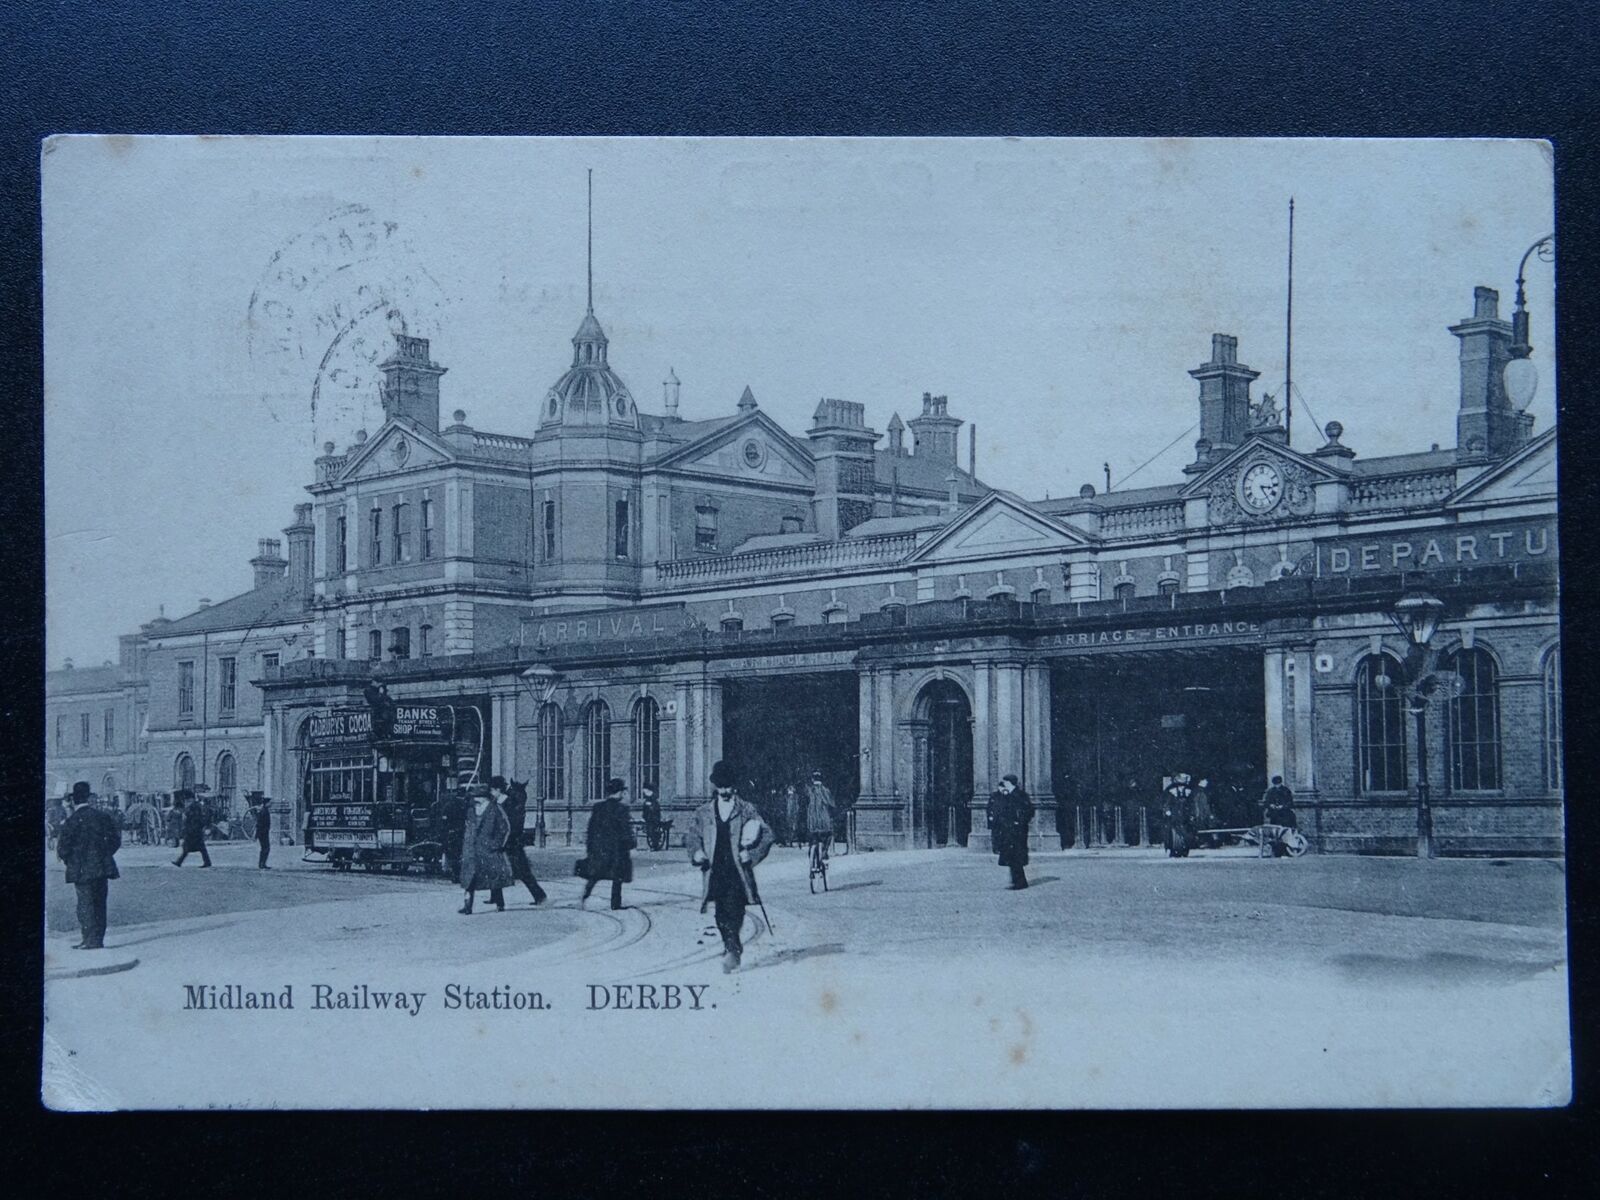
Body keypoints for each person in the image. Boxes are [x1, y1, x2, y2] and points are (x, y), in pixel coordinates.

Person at [686, 760, 775, 973]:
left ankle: (733, 950)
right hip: (715, 869)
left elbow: (767, 834)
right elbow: (692, 835)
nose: (725, 791)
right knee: (720, 914)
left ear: (734, 786)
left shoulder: (746, 809)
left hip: (737, 870)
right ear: (715, 786)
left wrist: (751, 855)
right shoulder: (704, 812)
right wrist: (696, 851)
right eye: (721, 786)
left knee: (735, 909)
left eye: (728, 786)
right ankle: (731, 946)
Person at [57, 782, 121, 949]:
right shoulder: (102, 817)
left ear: (73, 800)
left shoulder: (71, 821)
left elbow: (63, 848)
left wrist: (71, 861)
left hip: (81, 869)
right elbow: (115, 840)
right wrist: (104, 855)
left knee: (85, 904)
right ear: (88, 796)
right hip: (102, 867)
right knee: (100, 903)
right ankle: (98, 939)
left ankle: (89, 940)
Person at [579, 778, 635, 910]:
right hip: (617, 850)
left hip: (600, 849)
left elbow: (591, 829)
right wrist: (631, 844)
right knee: (618, 877)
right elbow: (625, 830)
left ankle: (584, 897)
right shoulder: (622, 809)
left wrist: (590, 848)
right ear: (620, 792)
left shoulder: (598, 807)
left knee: (595, 875)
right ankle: (615, 904)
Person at [457, 783, 513, 914]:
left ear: (484, 797)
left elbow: (505, 829)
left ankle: (500, 903)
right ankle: (467, 906)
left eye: (477, 796)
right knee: (469, 879)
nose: (475, 799)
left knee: (494, 879)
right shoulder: (471, 811)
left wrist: (497, 845)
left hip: (489, 850)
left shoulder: (496, 809)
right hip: (471, 850)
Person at [494, 777, 547, 905]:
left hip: (511, 842)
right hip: (512, 841)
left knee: (521, 871)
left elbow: (509, 824)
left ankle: (540, 896)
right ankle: (497, 899)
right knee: (498, 869)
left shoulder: (509, 802)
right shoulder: (511, 801)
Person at [988, 773, 1034, 889]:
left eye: (1005, 782)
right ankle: (1018, 881)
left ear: (1009, 783)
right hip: (1009, 830)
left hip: (1017, 831)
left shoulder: (1020, 795)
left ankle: (1020, 882)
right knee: (1013, 857)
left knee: (1016, 856)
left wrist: (1019, 822)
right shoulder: (1009, 795)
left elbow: (1029, 810)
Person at [171, 792, 212, 868]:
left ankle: (179, 862)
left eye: (188, 800)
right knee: (194, 847)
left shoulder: (194, 807)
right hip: (194, 830)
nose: (187, 802)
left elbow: (195, 819)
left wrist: (190, 828)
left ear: (191, 799)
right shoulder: (194, 806)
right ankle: (179, 862)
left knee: (192, 847)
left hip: (194, 830)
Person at [803, 770, 836, 862]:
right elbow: (832, 805)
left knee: (812, 839)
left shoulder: (809, 791)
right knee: (829, 835)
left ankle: (812, 854)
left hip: (812, 824)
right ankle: (825, 852)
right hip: (824, 823)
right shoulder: (826, 791)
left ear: (812, 779)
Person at [1163, 773, 1196, 858]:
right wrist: (1167, 811)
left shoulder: (1188, 791)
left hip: (1184, 814)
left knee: (1187, 831)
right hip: (1175, 814)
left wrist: (1192, 814)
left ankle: (1184, 849)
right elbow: (1167, 802)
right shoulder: (1171, 791)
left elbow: (1191, 804)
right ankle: (1174, 849)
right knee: (1172, 832)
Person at [640, 785, 664, 851]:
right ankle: (653, 845)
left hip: (653, 819)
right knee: (650, 831)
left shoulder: (654, 801)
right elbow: (644, 810)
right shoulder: (647, 800)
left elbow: (655, 810)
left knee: (652, 831)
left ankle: (655, 845)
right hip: (648, 818)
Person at [253, 794, 273, 869]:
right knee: (266, 848)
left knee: (265, 848)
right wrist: (257, 835)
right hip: (263, 833)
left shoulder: (264, 811)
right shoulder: (264, 812)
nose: (270, 804)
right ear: (266, 803)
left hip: (264, 833)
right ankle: (262, 864)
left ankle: (262, 863)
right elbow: (259, 824)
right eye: (269, 803)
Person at [783, 783, 800, 847]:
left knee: (792, 827)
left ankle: (791, 840)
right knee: (790, 827)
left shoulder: (795, 797)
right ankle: (789, 840)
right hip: (789, 814)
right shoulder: (787, 797)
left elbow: (796, 806)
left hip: (792, 814)